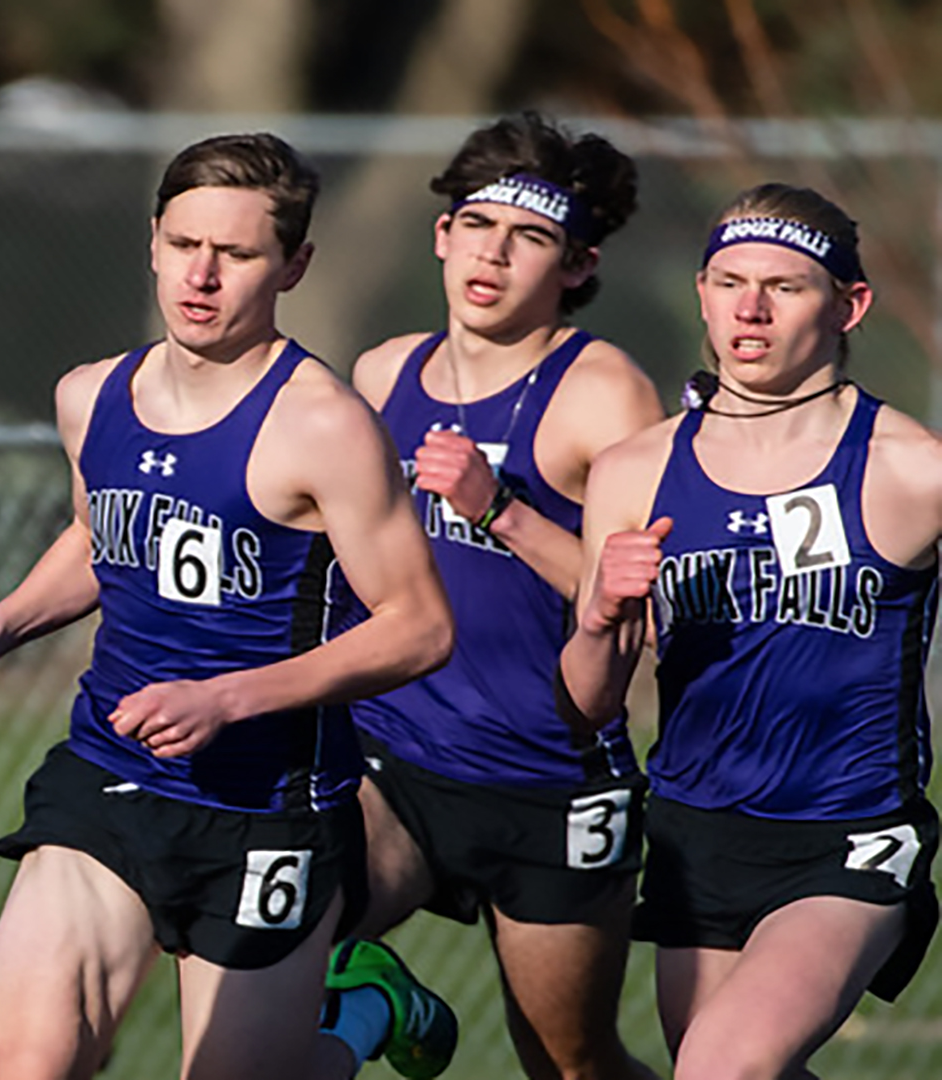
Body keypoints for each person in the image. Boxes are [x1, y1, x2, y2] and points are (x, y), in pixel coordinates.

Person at [0, 133, 458, 1080]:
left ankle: (367, 1007)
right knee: (27, 1065)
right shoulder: (91, 396)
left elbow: (420, 626)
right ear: (153, 242)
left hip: (265, 808)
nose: (201, 277)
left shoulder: (323, 425)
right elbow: (101, 542)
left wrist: (227, 698)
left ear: (293, 264)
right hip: (108, 778)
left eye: (237, 255)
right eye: (183, 244)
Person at [561, 183, 940, 1078]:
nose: (752, 308)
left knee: (718, 1069)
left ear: (850, 306)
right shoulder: (633, 472)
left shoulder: (910, 470)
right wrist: (600, 614)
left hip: (847, 837)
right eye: (730, 281)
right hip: (699, 834)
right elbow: (586, 704)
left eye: (786, 286)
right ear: (701, 292)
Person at [337, 113, 662, 1080]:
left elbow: (634, 601)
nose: (494, 254)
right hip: (390, 757)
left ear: (574, 265)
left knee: (568, 1061)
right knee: (263, 934)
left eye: (529, 238)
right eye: (478, 225)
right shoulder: (383, 371)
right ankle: (375, 1002)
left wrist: (502, 512)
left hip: (548, 778)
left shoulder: (603, 394)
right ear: (442, 235)